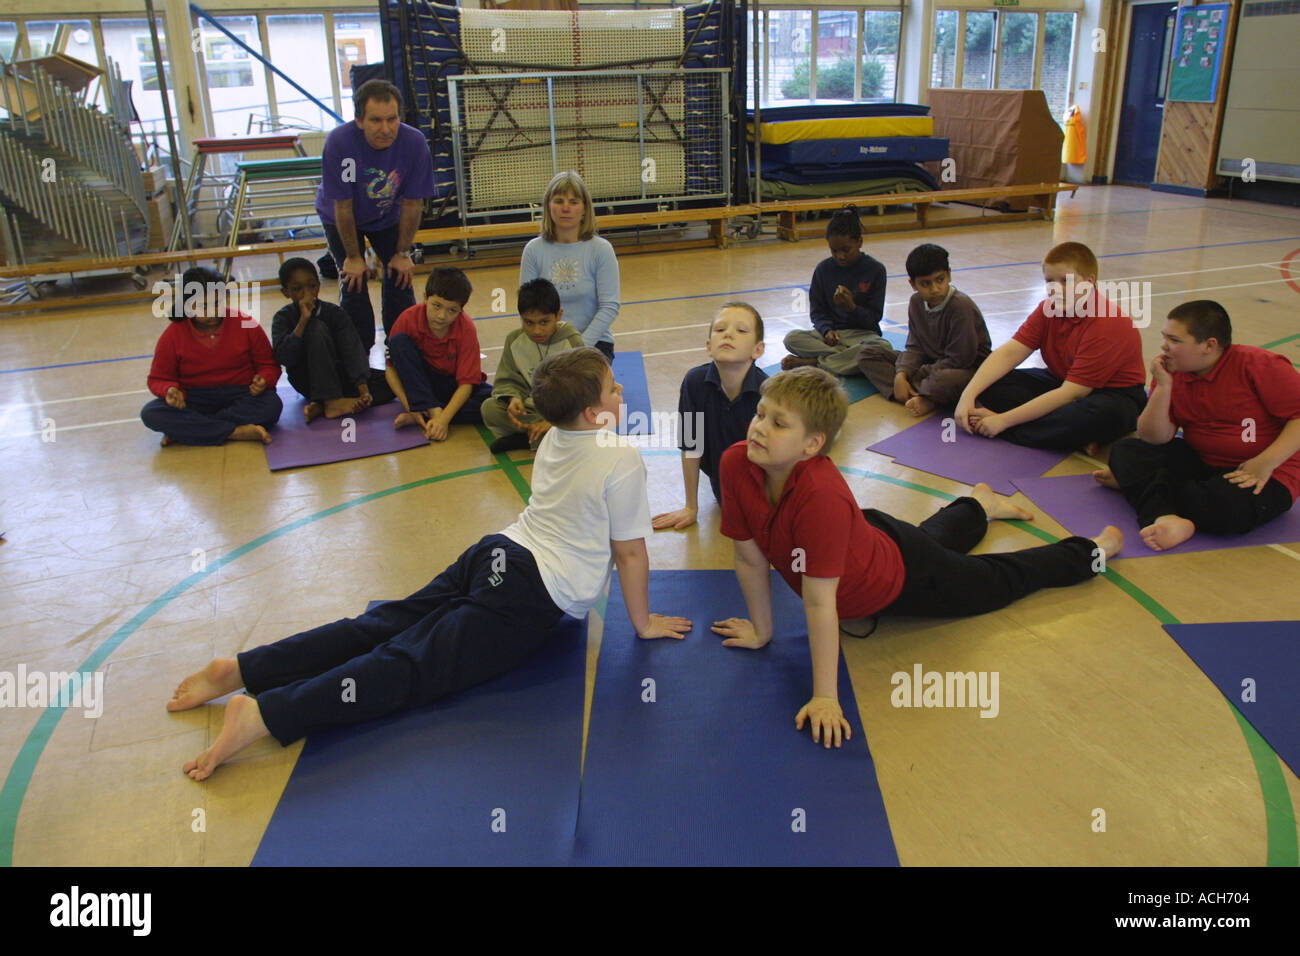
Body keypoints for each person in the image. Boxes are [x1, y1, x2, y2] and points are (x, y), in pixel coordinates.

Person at [167, 348, 692, 780]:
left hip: (495, 553)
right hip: (527, 594)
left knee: (379, 625)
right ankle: (264, 713)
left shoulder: (555, 435)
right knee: (409, 664)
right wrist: (642, 624)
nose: (621, 393)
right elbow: (629, 551)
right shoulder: (619, 456)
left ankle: (243, 668)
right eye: (613, 390)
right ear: (590, 413)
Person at [713, 368, 1122, 748]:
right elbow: (749, 557)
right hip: (871, 538)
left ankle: (1091, 551)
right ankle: (979, 506)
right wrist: (761, 631)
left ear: (812, 444)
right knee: (932, 541)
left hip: (901, 577)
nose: (759, 429)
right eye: (760, 415)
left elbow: (820, 601)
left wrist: (824, 696)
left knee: (996, 580)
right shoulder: (737, 462)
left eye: (778, 423)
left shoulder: (820, 497)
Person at [1093, 300, 1300, 551]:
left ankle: (1147, 491)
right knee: (1126, 451)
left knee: (1225, 508)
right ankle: (1165, 515)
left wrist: (1264, 463)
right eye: (1164, 337)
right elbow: (1153, 437)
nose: (1164, 346)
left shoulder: (1260, 365)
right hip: (1202, 461)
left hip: (1260, 471)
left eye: (1175, 340)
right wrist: (1164, 387)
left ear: (1209, 345)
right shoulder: (1174, 371)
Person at [954, 241, 1146, 451]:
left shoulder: (1106, 323)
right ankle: (1062, 435)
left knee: (1090, 415)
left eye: (1066, 281)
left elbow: (1072, 394)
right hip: (1063, 380)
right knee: (992, 382)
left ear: (1089, 282)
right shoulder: (1049, 309)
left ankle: (1020, 430)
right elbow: (1010, 352)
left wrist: (1003, 421)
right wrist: (968, 395)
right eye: (1050, 281)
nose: (1056, 289)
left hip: (1112, 396)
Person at [314, 79, 435, 351]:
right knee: (354, 281)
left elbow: (413, 204)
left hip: (386, 215)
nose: (386, 129)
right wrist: (354, 258)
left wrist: (402, 254)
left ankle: (402, 349)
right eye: (376, 121)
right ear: (359, 120)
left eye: (392, 119)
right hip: (341, 216)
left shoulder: (413, 143)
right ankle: (357, 356)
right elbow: (343, 206)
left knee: (399, 278)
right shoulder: (341, 143)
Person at [652, 303, 767, 531]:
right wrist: (690, 507)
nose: (728, 334)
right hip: (722, 479)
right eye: (720, 329)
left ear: (758, 350)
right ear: (708, 346)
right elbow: (691, 445)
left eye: (741, 331)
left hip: (760, 481)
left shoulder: (768, 391)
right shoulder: (694, 382)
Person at [141, 266, 283, 446]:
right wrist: (169, 389)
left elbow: (269, 365)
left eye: (217, 303)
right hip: (194, 398)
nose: (213, 312)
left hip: (240, 393)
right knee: (151, 413)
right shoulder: (173, 334)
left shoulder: (245, 324)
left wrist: (264, 379)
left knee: (271, 405)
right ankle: (235, 432)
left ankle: (191, 431)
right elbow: (158, 378)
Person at [857, 243, 991, 417]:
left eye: (940, 280)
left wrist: (918, 373)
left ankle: (924, 396)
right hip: (931, 364)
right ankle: (913, 392)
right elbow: (915, 347)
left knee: (944, 381)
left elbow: (961, 359)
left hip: (965, 369)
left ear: (949, 275)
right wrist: (901, 373)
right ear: (913, 284)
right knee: (867, 355)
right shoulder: (916, 303)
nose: (935, 289)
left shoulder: (960, 306)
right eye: (925, 284)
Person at [270, 258, 394, 422]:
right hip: (306, 379)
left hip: (339, 376)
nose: (306, 293)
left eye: (312, 286)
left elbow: (352, 350)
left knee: (391, 382)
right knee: (316, 328)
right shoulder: (282, 318)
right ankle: (331, 402)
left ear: (318, 286)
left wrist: (363, 390)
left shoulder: (334, 313)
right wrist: (303, 322)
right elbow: (284, 358)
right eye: (297, 289)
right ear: (286, 292)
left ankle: (324, 404)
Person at [519, 171, 620, 360]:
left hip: (593, 345)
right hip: (545, 343)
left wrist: (577, 348)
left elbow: (609, 306)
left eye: (573, 202)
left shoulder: (601, 249)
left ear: (584, 210)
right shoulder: (533, 250)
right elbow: (526, 307)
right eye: (558, 201)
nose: (566, 208)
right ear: (549, 206)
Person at [385, 267, 492, 441]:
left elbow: (466, 383)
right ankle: (425, 408)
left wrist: (443, 420)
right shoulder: (408, 319)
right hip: (421, 383)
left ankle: (425, 412)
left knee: (493, 403)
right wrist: (409, 406)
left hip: (451, 385)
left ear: (461, 310)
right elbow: (390, 371)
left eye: (452, 310)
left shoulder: (466, 328)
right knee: (399, 342)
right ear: (425, 298)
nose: (442, 316)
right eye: (436, 306)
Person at [781, 205, 887, 377]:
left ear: (859, 242)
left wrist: (852, 308)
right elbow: (817, 311)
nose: (840, 256)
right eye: (834, 250)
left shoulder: (875, 270)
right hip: (830, 337)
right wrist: (826, 330)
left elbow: (874, 318)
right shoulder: (823, 269)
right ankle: (844, 360)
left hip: (861, 334)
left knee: (881, 347)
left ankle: (816, 362)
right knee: (791, 338)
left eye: (846, 250)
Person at [483, 278, 584, 454]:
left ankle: (529, 437)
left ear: (558, 316)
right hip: (532, 408)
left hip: (562, 412)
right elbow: (507, 379)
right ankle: (538, 434)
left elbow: (583, 390)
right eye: (529, 322)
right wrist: (513, 398)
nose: (536, 330)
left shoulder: (572, 342)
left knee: (581, 420)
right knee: (489, 409)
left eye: (544, 322)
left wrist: (553, 421)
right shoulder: (514, 340)